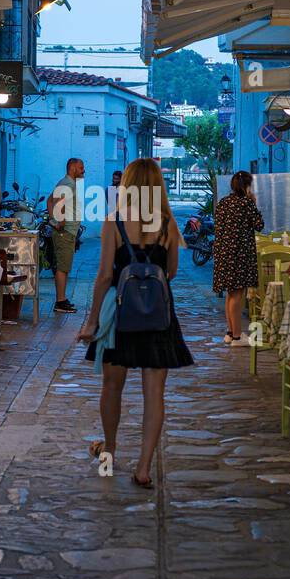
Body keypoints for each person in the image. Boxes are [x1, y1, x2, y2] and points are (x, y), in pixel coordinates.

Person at [77, 158, 193, 489]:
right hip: (158, 317)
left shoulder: (113, 222)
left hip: (119, 314)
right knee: (154, 394)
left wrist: (91, 322)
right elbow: (171, 272)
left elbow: (102, 277)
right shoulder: (169, 223)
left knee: (112, 386)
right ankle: (143, 468)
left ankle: (109, 451)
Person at [212, 170, 264, 346]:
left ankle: (229, 332)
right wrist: (254, 204)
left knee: (230, 294)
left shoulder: (224, 202)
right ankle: (237, 336)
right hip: (239, 254)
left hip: (223, 252)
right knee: (237, 296)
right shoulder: (246, 203)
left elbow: (218, 226)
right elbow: (259, 225)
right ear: (247, 186)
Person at [48, 157, 85, 314]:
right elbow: (58, 204)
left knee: (64, 266)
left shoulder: (64, 182)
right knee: (63, 267)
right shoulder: (69, 184)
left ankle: (62, 298)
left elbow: (50, 201)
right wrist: (59, 222)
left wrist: (52, 220)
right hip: (65, 232)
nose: (84, 170)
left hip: (66, 231)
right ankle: (60, 302)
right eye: (81, 167)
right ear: (73, 168)